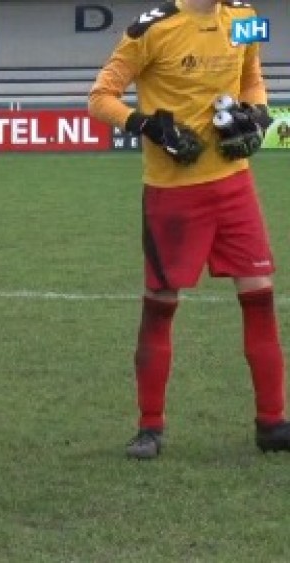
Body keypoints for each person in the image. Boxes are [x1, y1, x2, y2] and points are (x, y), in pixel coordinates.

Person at [89, 0, 290, 459]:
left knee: (259, 297)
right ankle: (150, 428)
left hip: (235, 185)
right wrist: (147, 126)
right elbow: (100, 97)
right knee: (161, 304)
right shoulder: (151, 30)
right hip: (172, 194)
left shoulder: (244, 17)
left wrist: (256, 113)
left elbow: (252, 77)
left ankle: (272, 422)